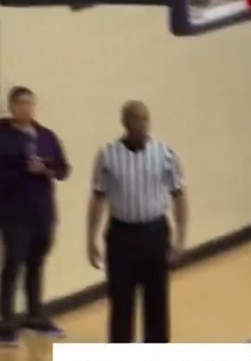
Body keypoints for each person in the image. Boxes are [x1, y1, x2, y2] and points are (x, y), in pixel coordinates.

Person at [86, 101, 186, 343]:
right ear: (125, 122)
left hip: (154, 232)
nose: (142, 125)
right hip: (121, 235)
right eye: (136, 119)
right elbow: (98, 199)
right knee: (121, 303)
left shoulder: (165, 153)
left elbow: (180, 197)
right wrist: (91, 240)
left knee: (157, 301)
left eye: (145, 119)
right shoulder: (108, 155)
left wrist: (180, 239)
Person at [0, 87, 69, 345]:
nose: (25, 108)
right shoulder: (3, 137)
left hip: (42, 211)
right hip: (13, 211)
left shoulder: (46, 136)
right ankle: (6, 321)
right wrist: (23, 171)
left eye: (29, 103)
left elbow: (63, 169)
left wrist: (46, 169)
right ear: (12, 106)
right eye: (20, 104)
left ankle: (35, 315)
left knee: (36, 262)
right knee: (13, 264)